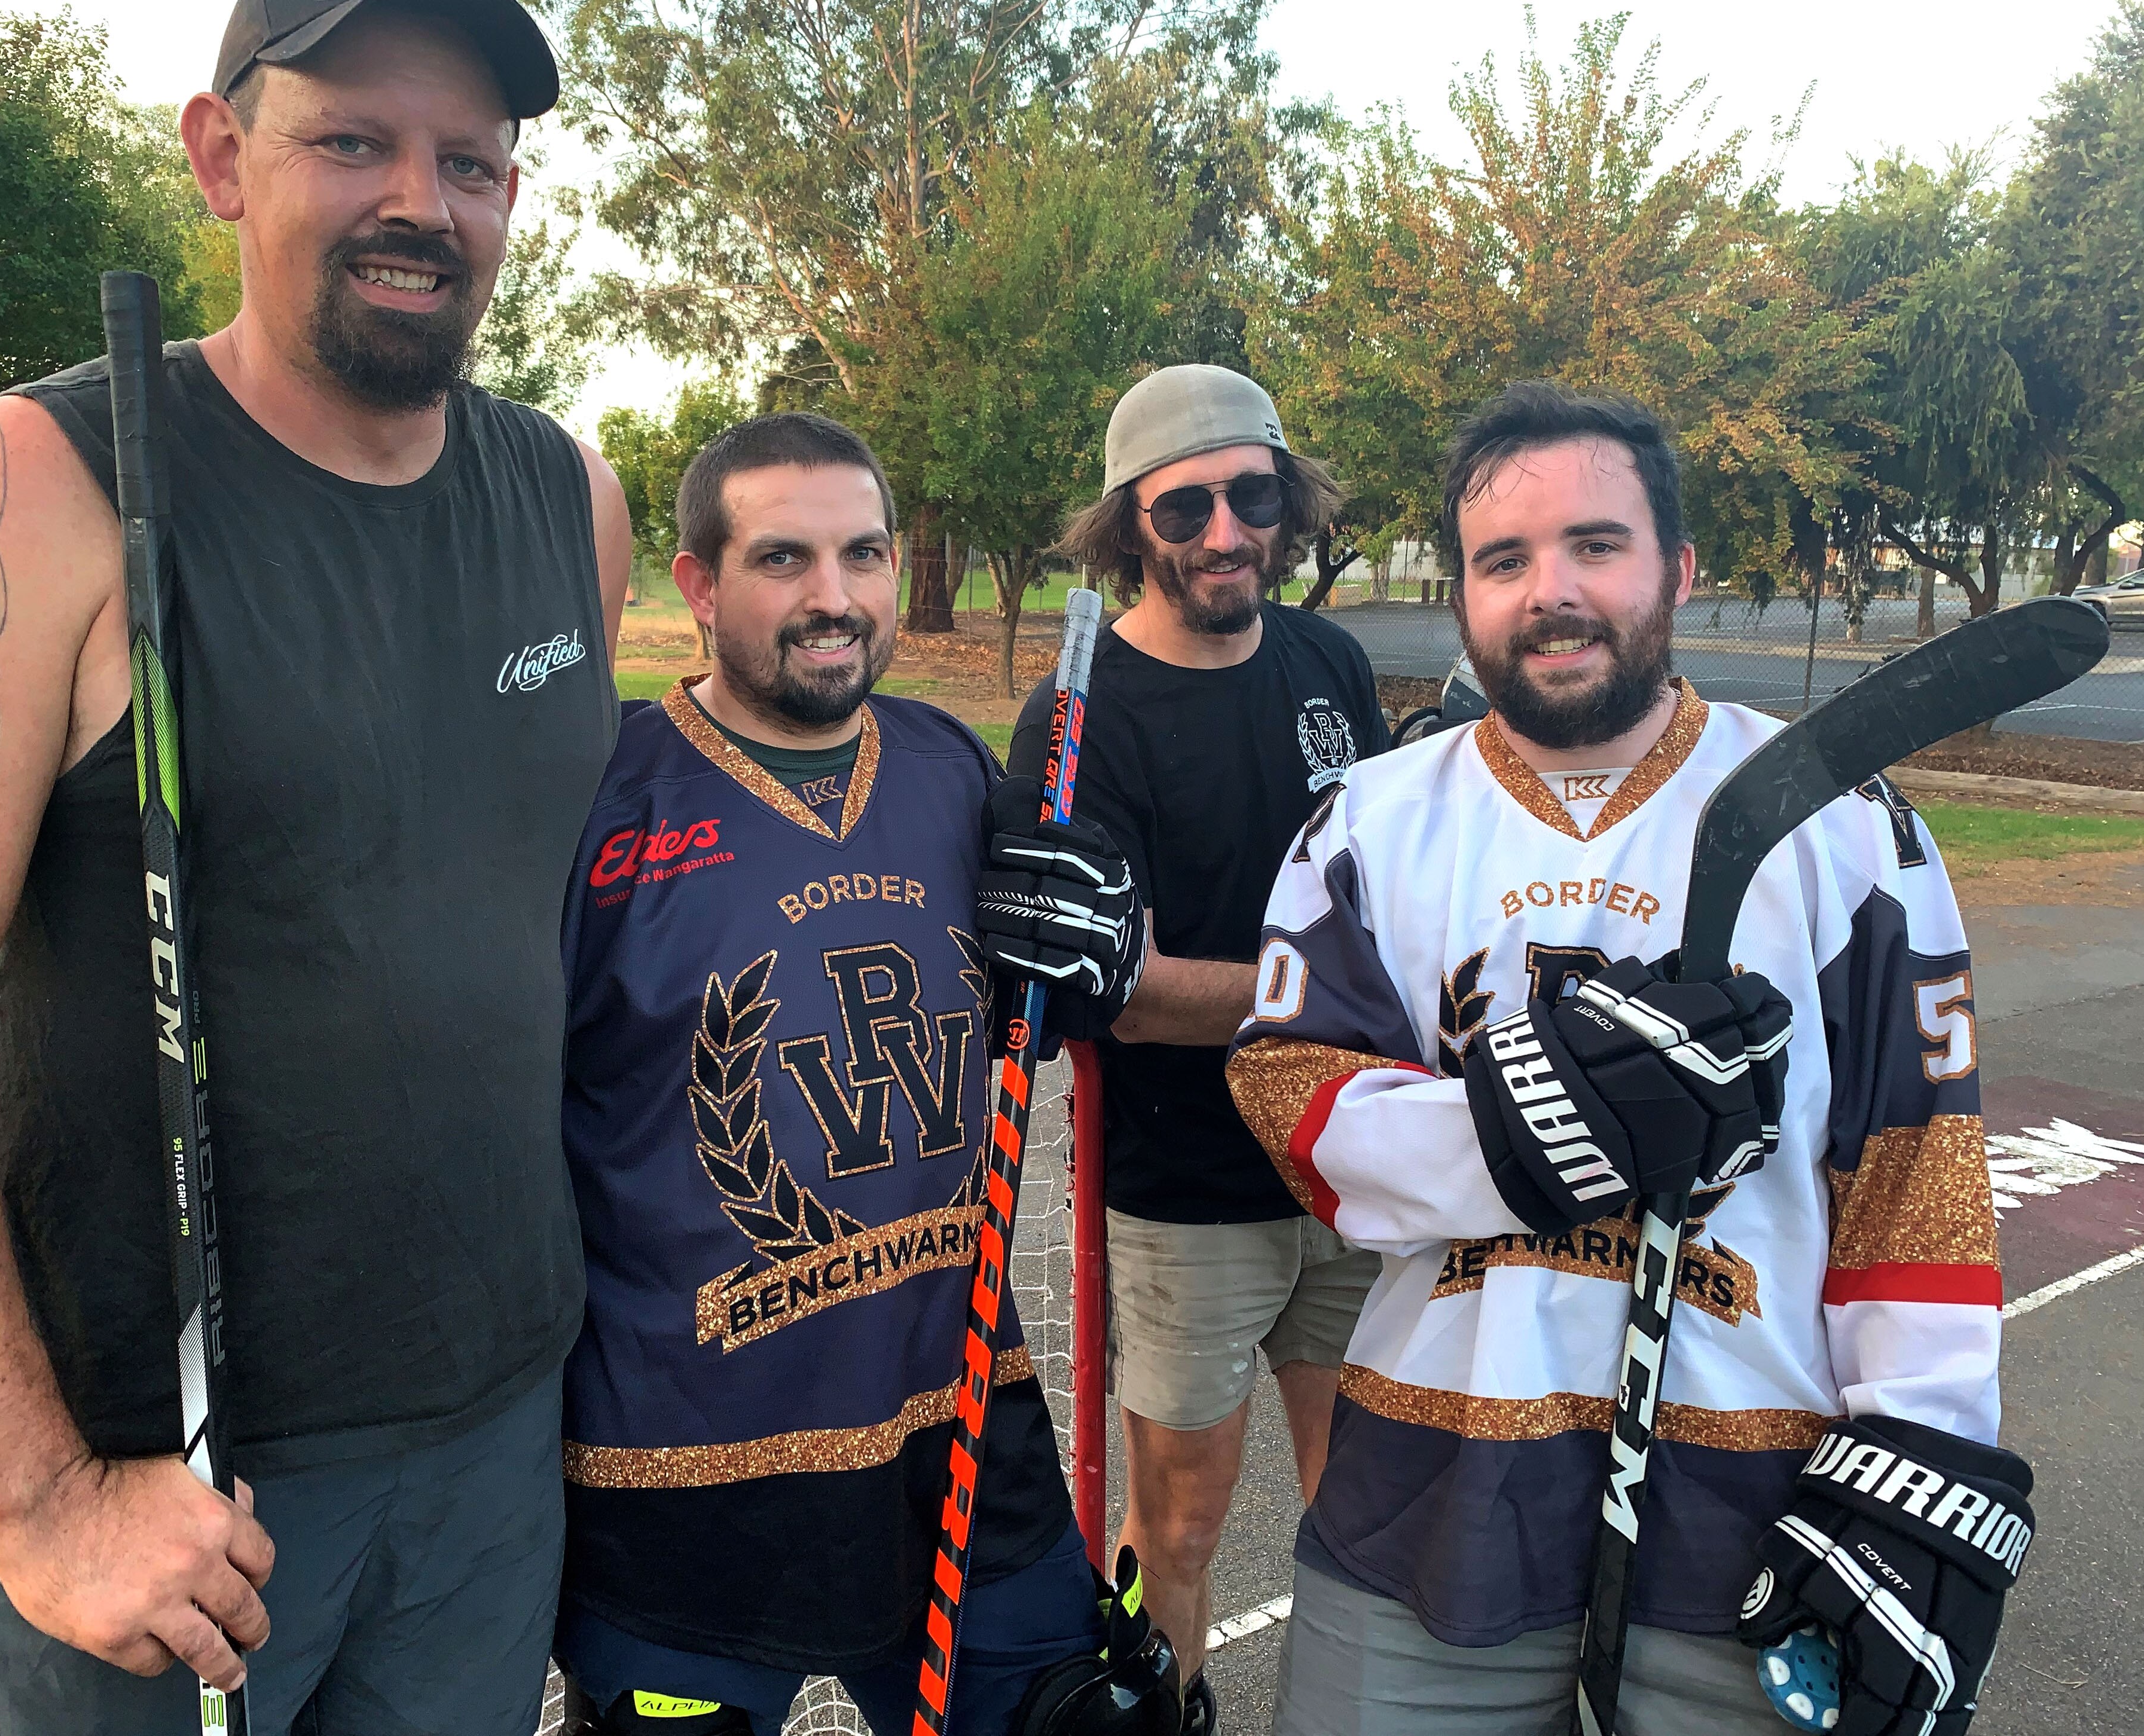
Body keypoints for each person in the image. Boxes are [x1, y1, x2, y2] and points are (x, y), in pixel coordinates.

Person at [0, 2, 632, 1729]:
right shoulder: (35, 484)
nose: (422, 198)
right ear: (217, 157)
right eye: (353, 141)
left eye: (470, 162)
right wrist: (39, 1506)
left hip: (495, 1435)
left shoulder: (572, 497)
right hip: (172, 1489)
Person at [1229, 380, 2030, 1735]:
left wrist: (1925, 1453)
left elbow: (1917, 1168)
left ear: (1679, 570)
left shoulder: (1843, 827)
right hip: (1429, 1491)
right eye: (1504, 560)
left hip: (1762, 1511)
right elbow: (1284, 1085)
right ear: (1464, 596)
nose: (1553, 591)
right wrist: (1519, 1134)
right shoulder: (1367, 821)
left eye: (1596, 544)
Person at [554, 412, 1172, 1736]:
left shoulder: (956, 770)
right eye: (785, 559)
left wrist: (1102, 938)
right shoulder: (602, 798)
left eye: (866, 554)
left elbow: (1040, 1013)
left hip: (961, 1429)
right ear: (700, 586)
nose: (835, 599)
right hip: (681, 1473)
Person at [1009, 363, 1391, 1731]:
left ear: (1290, 500)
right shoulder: (1078, 714)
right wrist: (1338, 995)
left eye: (1255, 493)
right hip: (1186, 1202)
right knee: (1178, 1537)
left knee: (1373, 1518)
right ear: (1131, 524)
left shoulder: (1328, 661)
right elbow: (1119, 993)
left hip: (1358, 1168)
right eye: (1187, 506)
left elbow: (1385, 892)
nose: (1227, 532)